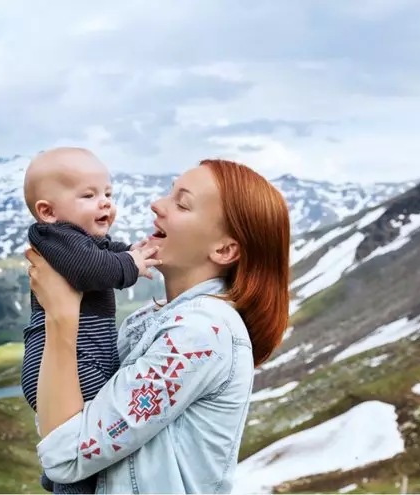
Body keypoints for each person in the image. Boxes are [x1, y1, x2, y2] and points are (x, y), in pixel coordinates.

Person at [26, 158, 290, 493]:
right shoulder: (147, 320)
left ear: (224, 249)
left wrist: (61, 317)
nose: (157, 205)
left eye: (181, 203)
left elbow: (66, 455)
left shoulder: (201, 333)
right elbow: (68, 417)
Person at [20, 147, 160, 494]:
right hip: (66, 356)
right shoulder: (54, 238)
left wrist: (133, 253)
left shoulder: (77, 238)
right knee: (87, 433)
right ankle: (67, 482)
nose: (105, 203)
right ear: (48, 212)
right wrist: (131, 265)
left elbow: (106, 251)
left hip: (85, 352)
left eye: (108, 194)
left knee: (84, 433)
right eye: (89, 195)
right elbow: (92, 268)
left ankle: (59, 478)